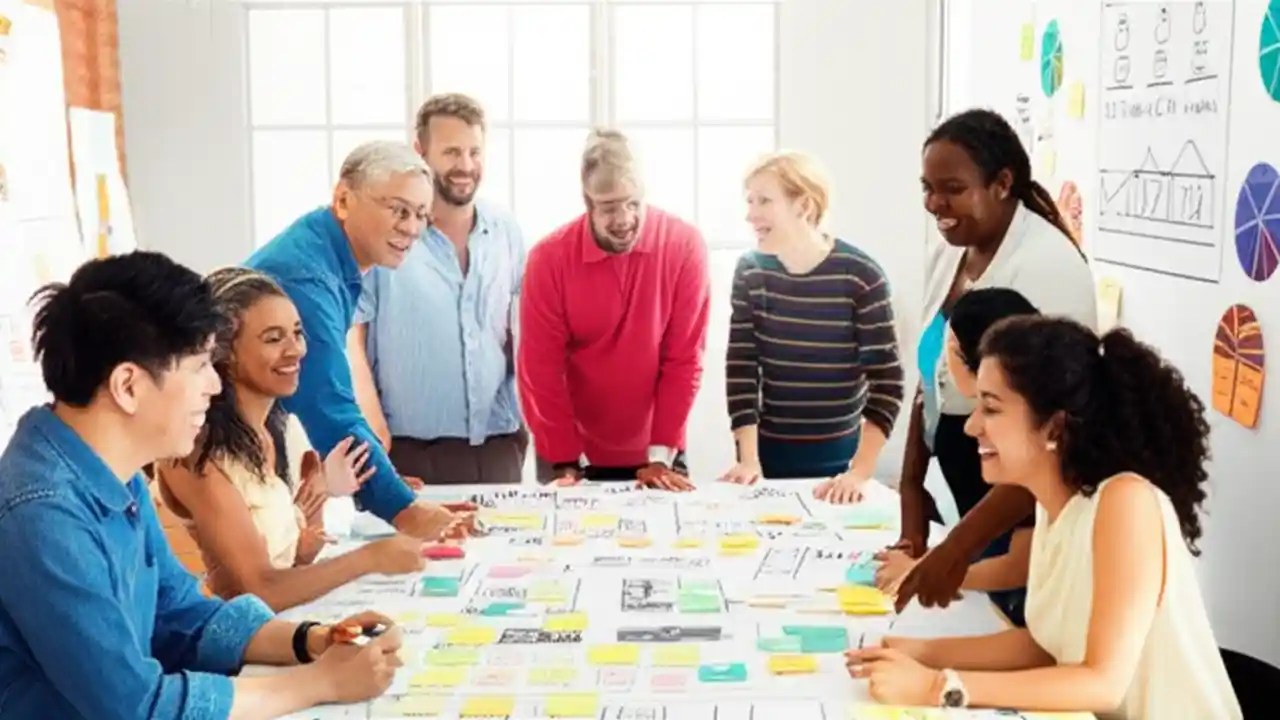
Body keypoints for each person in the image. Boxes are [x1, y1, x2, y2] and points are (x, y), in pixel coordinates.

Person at [0, 252, 404, 719]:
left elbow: (177, 615)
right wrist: (318, 683)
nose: (215, 385)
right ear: (128, 386)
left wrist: (314, 639)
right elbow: (135, 706)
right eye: (199, 366)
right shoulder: (43, 512)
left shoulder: (112, 469)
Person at [846, 316, 1241, 719]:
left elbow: (1103, 683)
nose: (971, 426)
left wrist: (937, 686)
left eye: (991, 408)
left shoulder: (1126, 501)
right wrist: (921, 652)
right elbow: (1044, 646)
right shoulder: (1055, 508)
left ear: (1053, 427)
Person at [875, 108, 1097, 608]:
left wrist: (952, 552)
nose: (935, 203)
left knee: (1013, 615)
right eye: (927, 187)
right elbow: (929, 381)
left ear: (1001, 183)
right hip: (971, 485)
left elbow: (1049, 441)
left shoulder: (1050, 268)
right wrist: (912, 497)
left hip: (1016, 503)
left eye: (951, 187)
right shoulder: (950, 252)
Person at [154, 268, 428, 613]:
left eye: (297, 334)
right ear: (224, 352)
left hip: (291, 625)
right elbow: (257, 589)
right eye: (273, 339)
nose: (295, 350)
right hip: (238, 648)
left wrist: (314, 513)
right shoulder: (196, 452)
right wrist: (372, 557)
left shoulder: (279, 430)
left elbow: (290, 560)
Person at [246, 140, 473, 539]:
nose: (412, 228)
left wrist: (398, 493)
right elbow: (327, 406)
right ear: (344, 200)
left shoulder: (329, 252)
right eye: (399, 210)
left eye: (421, 215)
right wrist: (403, 509)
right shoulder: (306, 278)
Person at [517, 129, 709, 490]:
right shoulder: (549, 259)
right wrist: (565, 460)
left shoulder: (685, 246)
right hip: (571, 448)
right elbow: (540, 368)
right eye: (608, 207)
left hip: (658, 448)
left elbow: (684, 358)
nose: (624, 219)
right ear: (587, 202)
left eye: (633, 203)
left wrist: (660, 455)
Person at [350, 94, 527, 485]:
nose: (465, 166)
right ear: (421, 151)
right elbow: (353, 338)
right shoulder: (387, 236)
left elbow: (521, 333)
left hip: (499, 443)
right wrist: (372, 426)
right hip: (410, 448)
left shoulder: (506, 231)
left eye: (474, 152)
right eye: (451, 152)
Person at [718, 151, 903, 500]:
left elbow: (887, 383)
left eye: (764, 201)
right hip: (767, 458)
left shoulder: (862, 276)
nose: (750, 214)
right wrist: (749, 461)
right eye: (749, 201)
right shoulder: (751, 272)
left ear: (803, 205)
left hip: (842, 460)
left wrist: (859, 473)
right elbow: (742, 369)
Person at [874, 287, 1039, 626]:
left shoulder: (1028, 438)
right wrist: (915, 549)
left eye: (989, 409)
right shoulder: (939, 401)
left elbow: (1021, 562)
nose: (973, 427)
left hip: (1020, 600)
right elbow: (911, 478)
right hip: (982, 580)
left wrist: (938, 570)